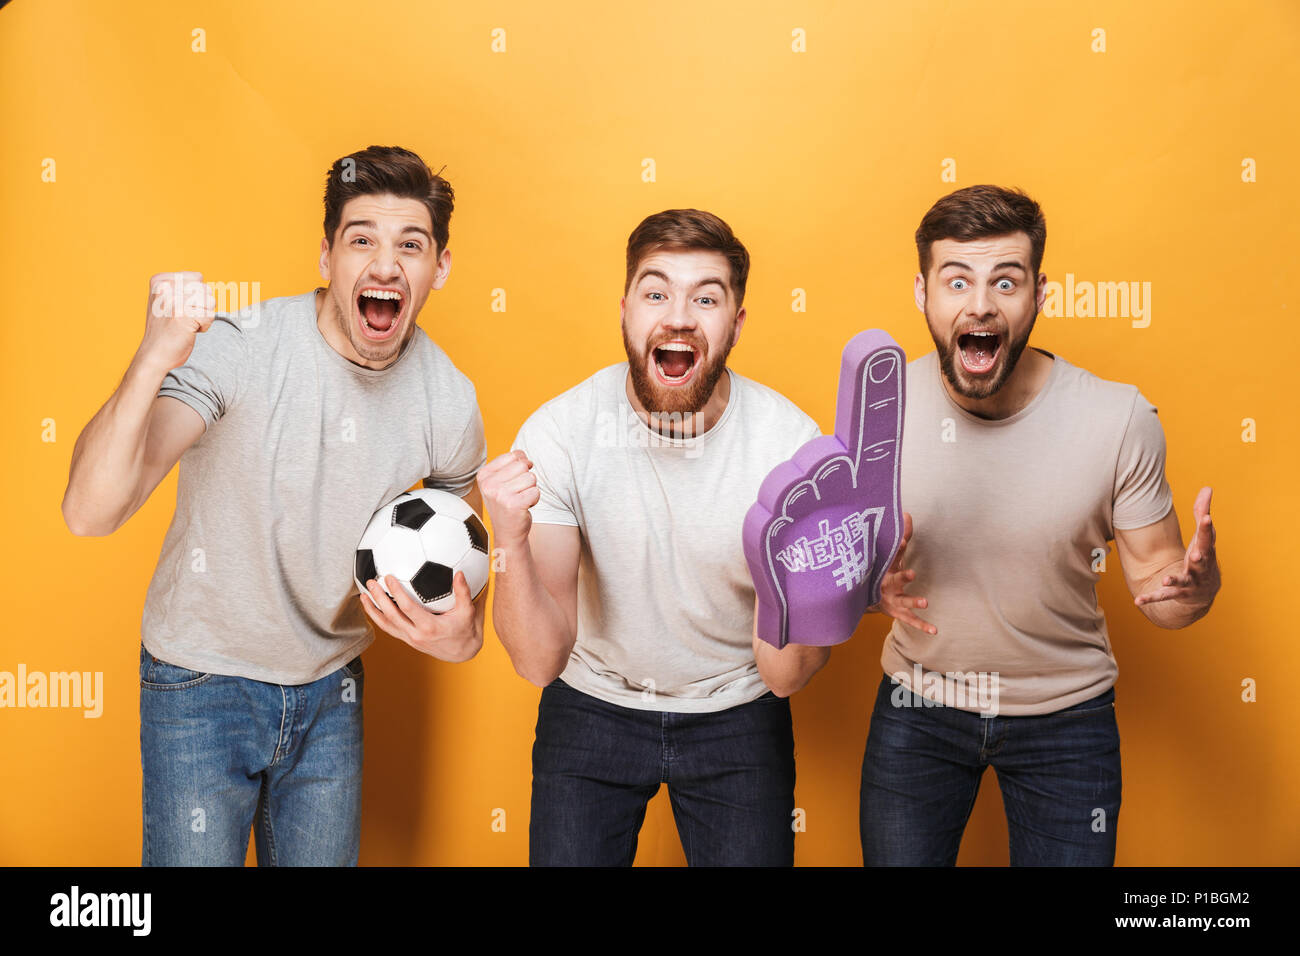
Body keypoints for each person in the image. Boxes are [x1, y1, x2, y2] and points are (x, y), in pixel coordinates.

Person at [60, 145, 488, 866]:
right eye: (362, 240)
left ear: (439, 267)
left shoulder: (447, 399)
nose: (385, 266)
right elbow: (89, 512)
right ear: (327, 257)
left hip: (331, 690)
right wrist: (152, 357)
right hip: (199, 682)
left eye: (410, 245)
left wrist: (462, 635)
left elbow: (465, 567)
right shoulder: (240, 350)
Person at [479, 208, 859, 866]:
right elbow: (539, 662)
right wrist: (507, 542)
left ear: (736, 323)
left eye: (706, 298)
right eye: (657, 293)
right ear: (626, 312)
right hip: (592, 706)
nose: (679, 317)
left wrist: (829, 585)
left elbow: (788, 677)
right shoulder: (562, 433)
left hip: (738, 711)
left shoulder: (792, 450)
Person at [859, 184, 1221, 866]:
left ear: (1040, 295)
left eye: (1006, 280)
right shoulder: (882, 408)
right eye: (956, 280)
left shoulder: (1118, 420)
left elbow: (1163, 590)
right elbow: (843, 569)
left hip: (1068, 721)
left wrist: (1192, 591)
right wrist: (866, 590)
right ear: (922, 293)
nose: (980, 304)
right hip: (919, 708)